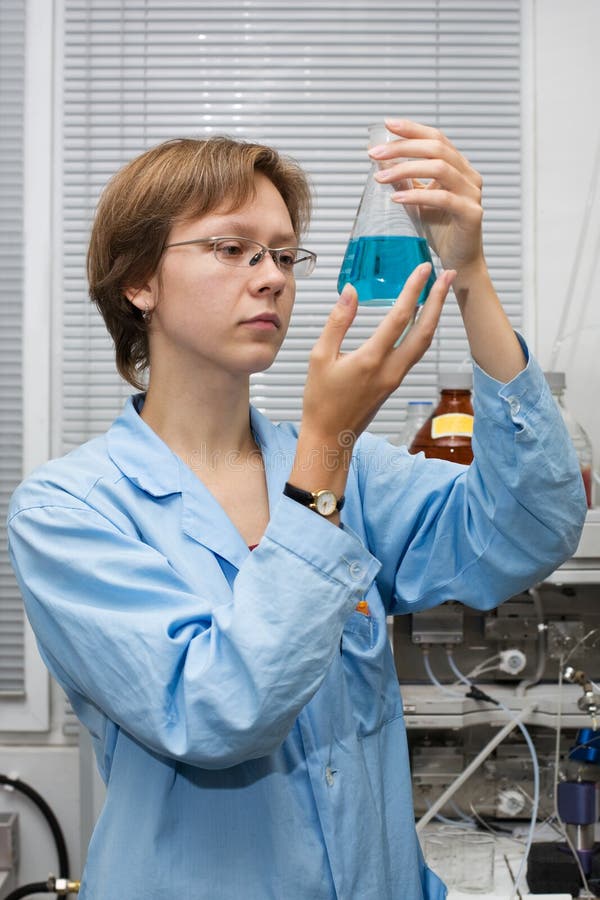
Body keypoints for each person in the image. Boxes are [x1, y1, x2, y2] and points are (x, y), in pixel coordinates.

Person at [8, 119, 586, 900]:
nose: (272, 276)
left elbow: (531, 527)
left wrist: (470, 273)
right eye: (230, 248)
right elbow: (218, 711)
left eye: (283, 253)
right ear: (139, 283)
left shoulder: (356, 470)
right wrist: (329, 443)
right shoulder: (70, 509)